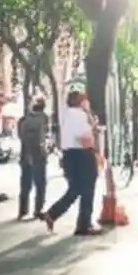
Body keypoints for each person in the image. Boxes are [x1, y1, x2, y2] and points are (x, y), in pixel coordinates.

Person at [38, 90, 100, 236]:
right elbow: (85, 138)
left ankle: (53, 214)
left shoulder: (66, 115)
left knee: (76, 188)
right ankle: (83, 224)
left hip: (70, 155)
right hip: (82, 154)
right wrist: (92, 126)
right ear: (81, 102)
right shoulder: (78, 115)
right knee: (87, 187)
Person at [17, 98, 50, 220]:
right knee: (40, 184)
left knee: (25, 185)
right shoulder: (44, 118)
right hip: (39, 155)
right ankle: (38, 210)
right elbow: (45, 136)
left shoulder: (24, 120)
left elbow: (21, 136)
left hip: (25, 155)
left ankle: (22, 211)